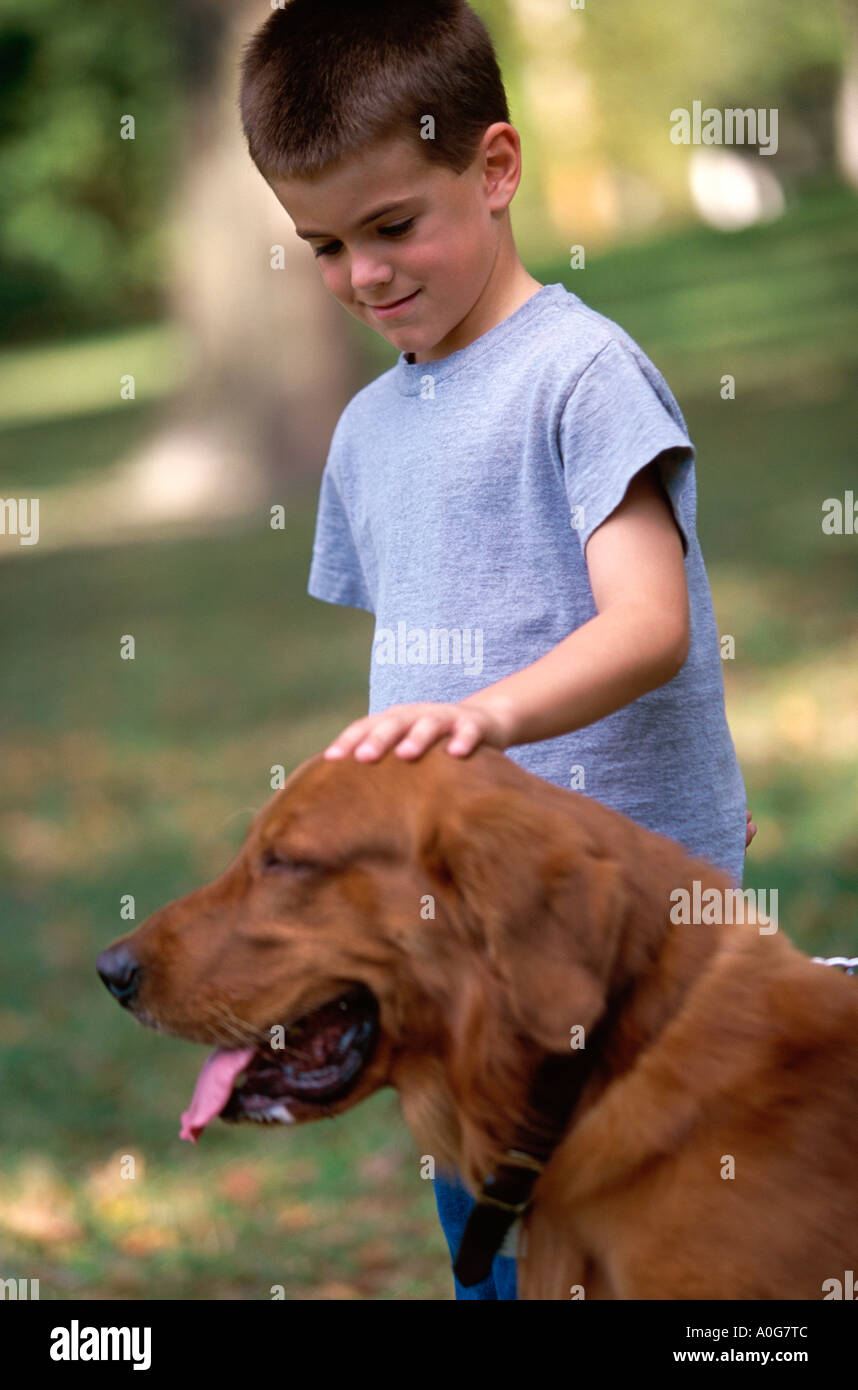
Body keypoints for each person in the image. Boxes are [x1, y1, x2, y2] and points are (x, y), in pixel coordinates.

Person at [238, 0, 756, 1302]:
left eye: (392, 225)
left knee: (659, 1237)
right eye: (322, 245)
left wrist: (489, 715)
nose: (362, 273)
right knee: (498, 1225)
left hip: (624, 908)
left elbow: (649, 623)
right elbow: (410, 665)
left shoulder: (577, 374)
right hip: (460, 931)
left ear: (495, 166)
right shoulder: (365, 431)